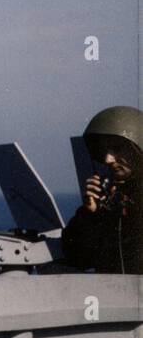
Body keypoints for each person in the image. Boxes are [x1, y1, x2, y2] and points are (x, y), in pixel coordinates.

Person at [62, 106, 142, 274]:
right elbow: (77, 258)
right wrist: (90, 214)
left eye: (117, 149)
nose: (108, 159)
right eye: (104, 151)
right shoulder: (111, 200)